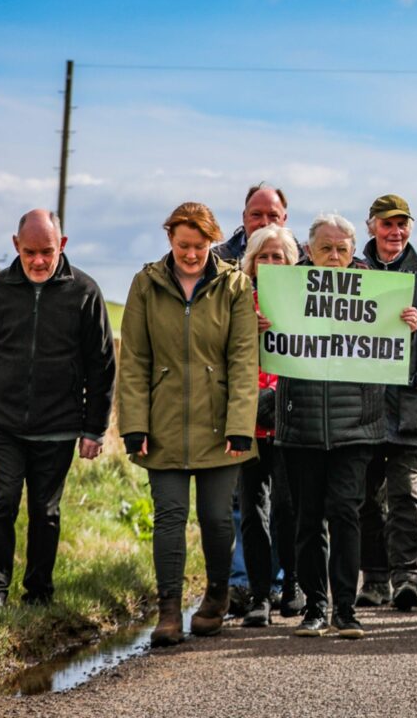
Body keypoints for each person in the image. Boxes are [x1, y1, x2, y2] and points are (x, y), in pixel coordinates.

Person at [0, 210, 115, 609]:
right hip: (1, 422)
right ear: (15, 246)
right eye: (29, 253)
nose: (39, 261)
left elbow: (102, 365)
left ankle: (38, 592)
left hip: (58, 425)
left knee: (45, 510)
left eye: (47, 252)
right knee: (3, 499)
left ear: (63, 245)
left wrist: (94, 429)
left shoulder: (85, 293)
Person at [118, 203, 258, 646]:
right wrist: (133, 424)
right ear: (169, 240)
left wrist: (241, 423)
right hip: (163, 424)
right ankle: (168, 613)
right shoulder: (146, 284)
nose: (191, 254)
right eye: (183, 246)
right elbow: (135, 359)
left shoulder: (234, 285)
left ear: (212, 242)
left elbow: (242, 357)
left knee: (217, 520)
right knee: (169, 518)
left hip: (221, 426)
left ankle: (215, 597)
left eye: (199, 246)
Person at [272, 213, 401, 638]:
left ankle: (345, 609)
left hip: (356, 427)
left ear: (352, 251)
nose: (333, 256)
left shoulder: (374, 292)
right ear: (309, 250)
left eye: (341, 249)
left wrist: (406, 325)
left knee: (346, 512)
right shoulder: (287, 290)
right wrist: (258, 328)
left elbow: (392, 348)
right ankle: (315, 607)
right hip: (302, 426)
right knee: (308, 519)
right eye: (325, 248)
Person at [355, 195, 417, 613]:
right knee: (366, 497)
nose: (395, 232)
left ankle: (406, 575)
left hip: (409, 408)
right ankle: (373, 579)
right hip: (361, 410)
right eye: (387, 224)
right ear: (371, 226)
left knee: (406, 495)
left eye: (402, 224)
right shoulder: (350, 275)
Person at [236, 224, 302, 627]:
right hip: (246, 420)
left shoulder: (305, 302)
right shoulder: (237, 303)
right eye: (265, 256)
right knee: (251, 511)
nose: (273, 262)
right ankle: (259, 593)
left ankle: (291, 585)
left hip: (291, 419)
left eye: (280, 256)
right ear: (252, 263)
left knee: (287, 509)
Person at [214, 182, 306, 262]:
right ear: (244, 217)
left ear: (284, 219)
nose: (264, 223)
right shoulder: (215, 260)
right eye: (256, 215)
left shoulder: (305, 264)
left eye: (273, 216)